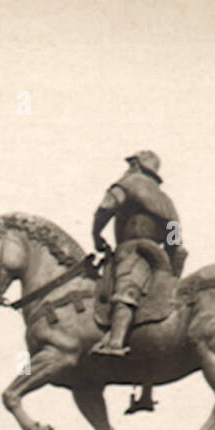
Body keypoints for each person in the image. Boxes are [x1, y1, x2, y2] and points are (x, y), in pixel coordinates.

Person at [91, 150, 187, 361]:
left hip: (134, 249)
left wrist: (96, 234)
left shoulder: (130, 182)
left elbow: (106, 207)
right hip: (158, 255)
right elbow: (175, 239)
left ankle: (115, 342)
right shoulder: (166, 201)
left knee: (126, 286)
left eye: (131, 164)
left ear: (136, 165)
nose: (128, 168)